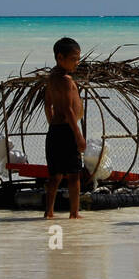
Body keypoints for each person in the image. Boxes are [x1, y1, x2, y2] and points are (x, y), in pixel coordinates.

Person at [43, 37, 85, 219]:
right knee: (74, 175)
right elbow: (68, 109)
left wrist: (52, 123)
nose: (77, 63)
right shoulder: (67, 80)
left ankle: (49, 212)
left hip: (55, 131)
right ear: (60, 57)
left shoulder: (52, 78)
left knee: (55, 175)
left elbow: (47, 105)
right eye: (74, 59)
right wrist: (78, 135)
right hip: (67, 131)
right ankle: (74, 213)